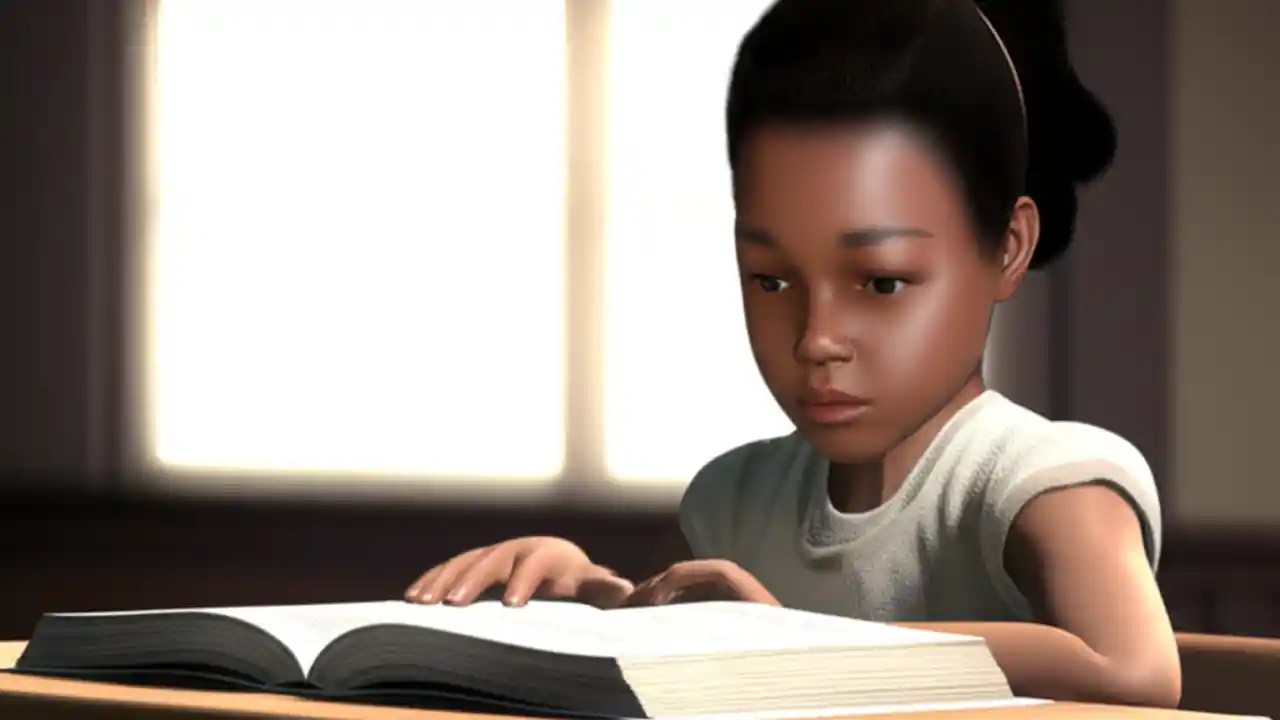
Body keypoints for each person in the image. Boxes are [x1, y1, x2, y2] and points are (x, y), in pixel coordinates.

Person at [404, 0, 1180, 708]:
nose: (816, 338)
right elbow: (685, 640)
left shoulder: (1034, 483)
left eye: (881, 282)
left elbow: (1137, 672)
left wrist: (797, 643)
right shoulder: (737, 497)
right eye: (771, 279)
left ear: (1008, 246)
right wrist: (586, 590)